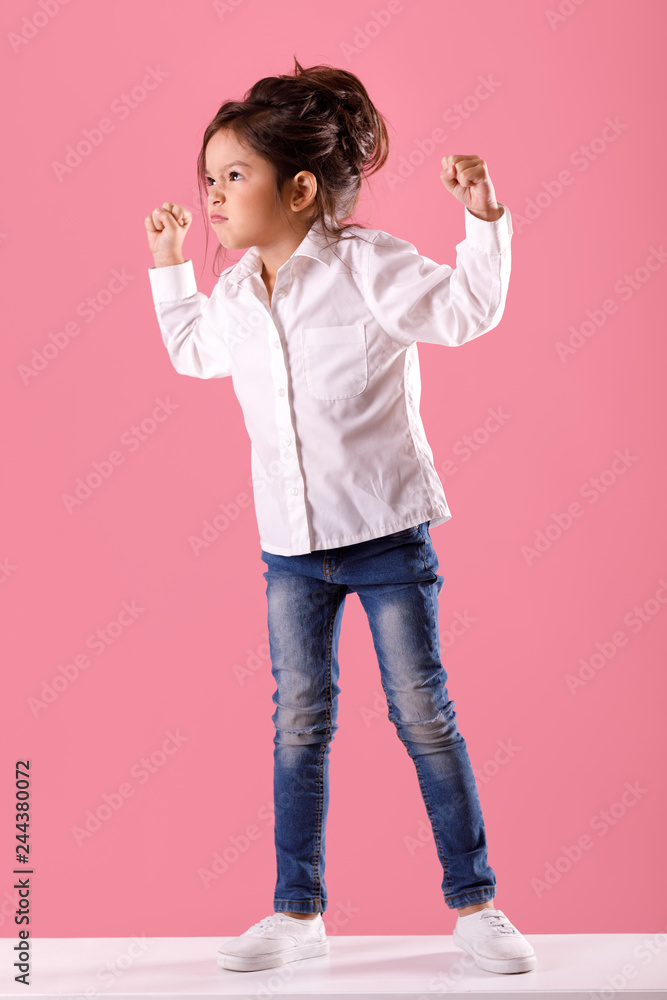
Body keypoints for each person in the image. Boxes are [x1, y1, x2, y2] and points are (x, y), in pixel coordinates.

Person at [144, 57, 536, 977]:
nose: (211, 196)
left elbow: (468, 309)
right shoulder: (236, 296)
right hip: (290, 551)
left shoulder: (367, 267)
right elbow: (194, 355)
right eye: (207, 179)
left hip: (387, 536)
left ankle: (476, 903)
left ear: (301, 187)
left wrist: (481, 217)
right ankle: (296, 911)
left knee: (422, 712)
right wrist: (169, 271)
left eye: (232, 176)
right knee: (299, 723)